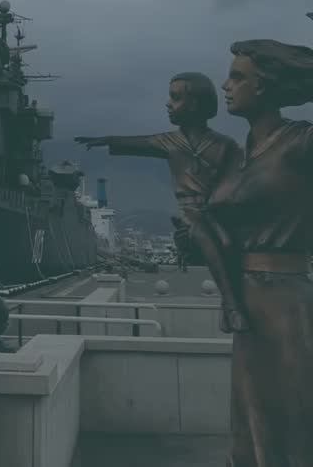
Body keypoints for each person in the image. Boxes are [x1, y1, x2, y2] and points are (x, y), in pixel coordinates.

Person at [177, 39, 313, 467]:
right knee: (250, 418)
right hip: (245, 299)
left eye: (237, 77)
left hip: (284, 298)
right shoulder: (239, 156)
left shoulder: (300, 141)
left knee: (291, 413)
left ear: (265, 86)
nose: (226, 86)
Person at [75, 72, 248, 328]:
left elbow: (237, 182)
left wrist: (218, 206)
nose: (168, 103)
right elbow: (138, 142)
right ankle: (232, 305)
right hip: (191, 213)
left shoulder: (225, 145)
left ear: (195, 104)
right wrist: (107, 140)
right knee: (204, 234)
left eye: (175, 97)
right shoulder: (170, 142)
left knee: (227, 239)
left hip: (216, 210)